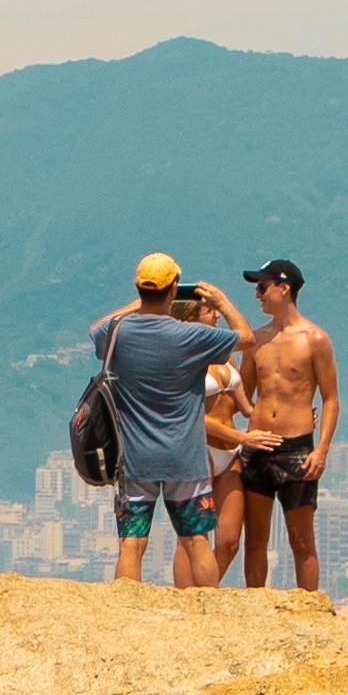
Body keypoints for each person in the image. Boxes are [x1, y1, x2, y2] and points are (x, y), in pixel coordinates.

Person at [88, 252, 255, 590]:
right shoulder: (189, 336)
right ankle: (207, 609)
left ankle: (128, 611)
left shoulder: (117, 334)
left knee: (132, 544)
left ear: (139, 287)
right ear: (174, 288)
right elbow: (246, 338)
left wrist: (140, 303)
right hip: (185, 458)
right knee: (196, 540)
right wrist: (221, 302)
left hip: (135, 458)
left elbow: (95, 328)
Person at [217, 260, 341, 592]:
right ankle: (256, 607)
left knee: (302, 541)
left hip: (296, 447)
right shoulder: (255, 340)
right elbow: (242, 392)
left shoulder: (315, 339)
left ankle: (308, 609)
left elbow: (330, 399)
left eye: (262, 287)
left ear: (284, 288)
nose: (257, 295)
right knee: (255, 540)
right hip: (257, 445)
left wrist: (322, 450)